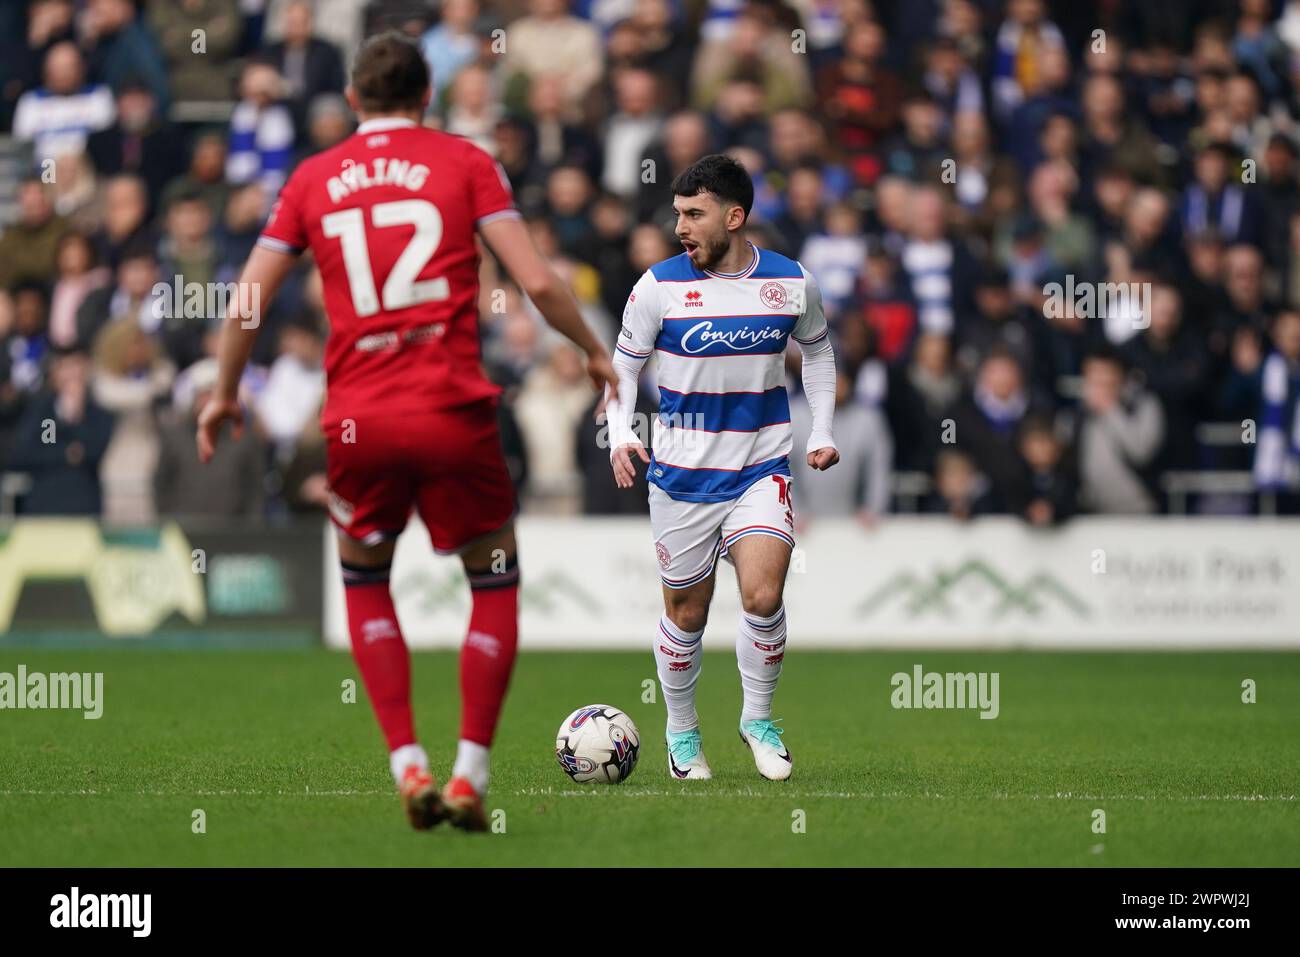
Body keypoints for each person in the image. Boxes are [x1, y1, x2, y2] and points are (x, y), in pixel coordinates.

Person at [195, 32, 618, 832]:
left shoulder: (313, 177)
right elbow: (532, 279)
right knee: (493, 583)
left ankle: (406, 761)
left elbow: (247, 299)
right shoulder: (466, 162)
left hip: (359, 421)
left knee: (364, 581)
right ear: (428, 95)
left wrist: (223, 391)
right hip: (456, 411)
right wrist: (593, 350)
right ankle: (469, 774)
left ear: (352, 100)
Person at [605, 154, 839, 782]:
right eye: (677, 213)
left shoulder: (792, 284)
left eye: (694, 214)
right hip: (681, 475)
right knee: (687, 614)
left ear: (735, 217)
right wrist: (621, 433)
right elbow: (622, 370)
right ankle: (682, 734)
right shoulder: (657, 287)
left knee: (763, 595)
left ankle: (758, 720)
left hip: (760, 464)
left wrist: (821, 429)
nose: (680, 226)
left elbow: (817, 352)